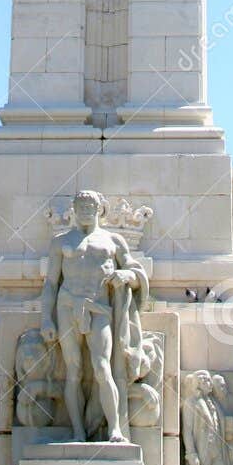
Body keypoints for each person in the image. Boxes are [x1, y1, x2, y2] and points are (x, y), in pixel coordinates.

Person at [40, 189, 147, 442]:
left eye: (90, 207)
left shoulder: (113, 240)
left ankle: (115, 428)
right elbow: (51, 284)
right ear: (74, 210)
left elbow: (133, 268)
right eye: (81, 206)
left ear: (100, 209)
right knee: (73, 370)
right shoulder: (61, 242)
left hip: (99, 309)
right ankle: (77, 431)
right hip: (67, 308)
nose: (86, 211)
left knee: (102, 367)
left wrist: (127, 276)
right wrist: (46, 317)